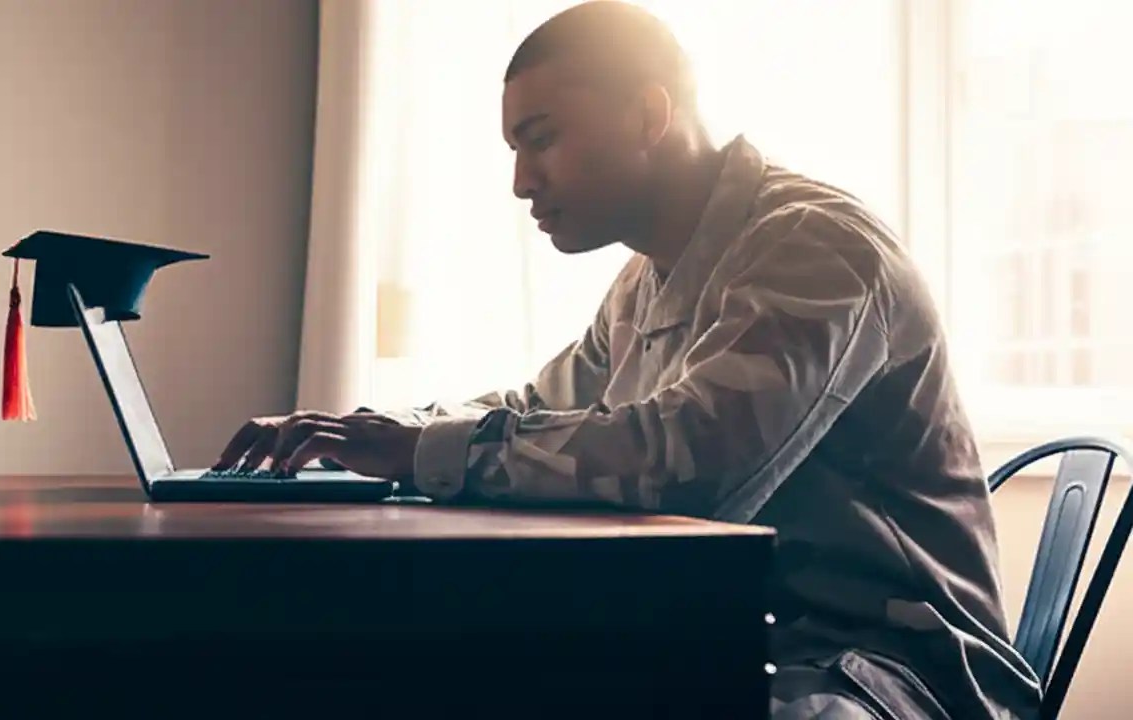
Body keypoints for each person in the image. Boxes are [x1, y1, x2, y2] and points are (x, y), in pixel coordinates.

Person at [214, 1, 1040, 717]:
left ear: (650, 114)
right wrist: (380, 431)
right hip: (744, 639)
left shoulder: (814, 249)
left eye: (541, 139)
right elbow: (539, 406)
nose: (519, 182)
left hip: (887, 673)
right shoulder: (649, 278)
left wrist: (427, 452)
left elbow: (689, 463)